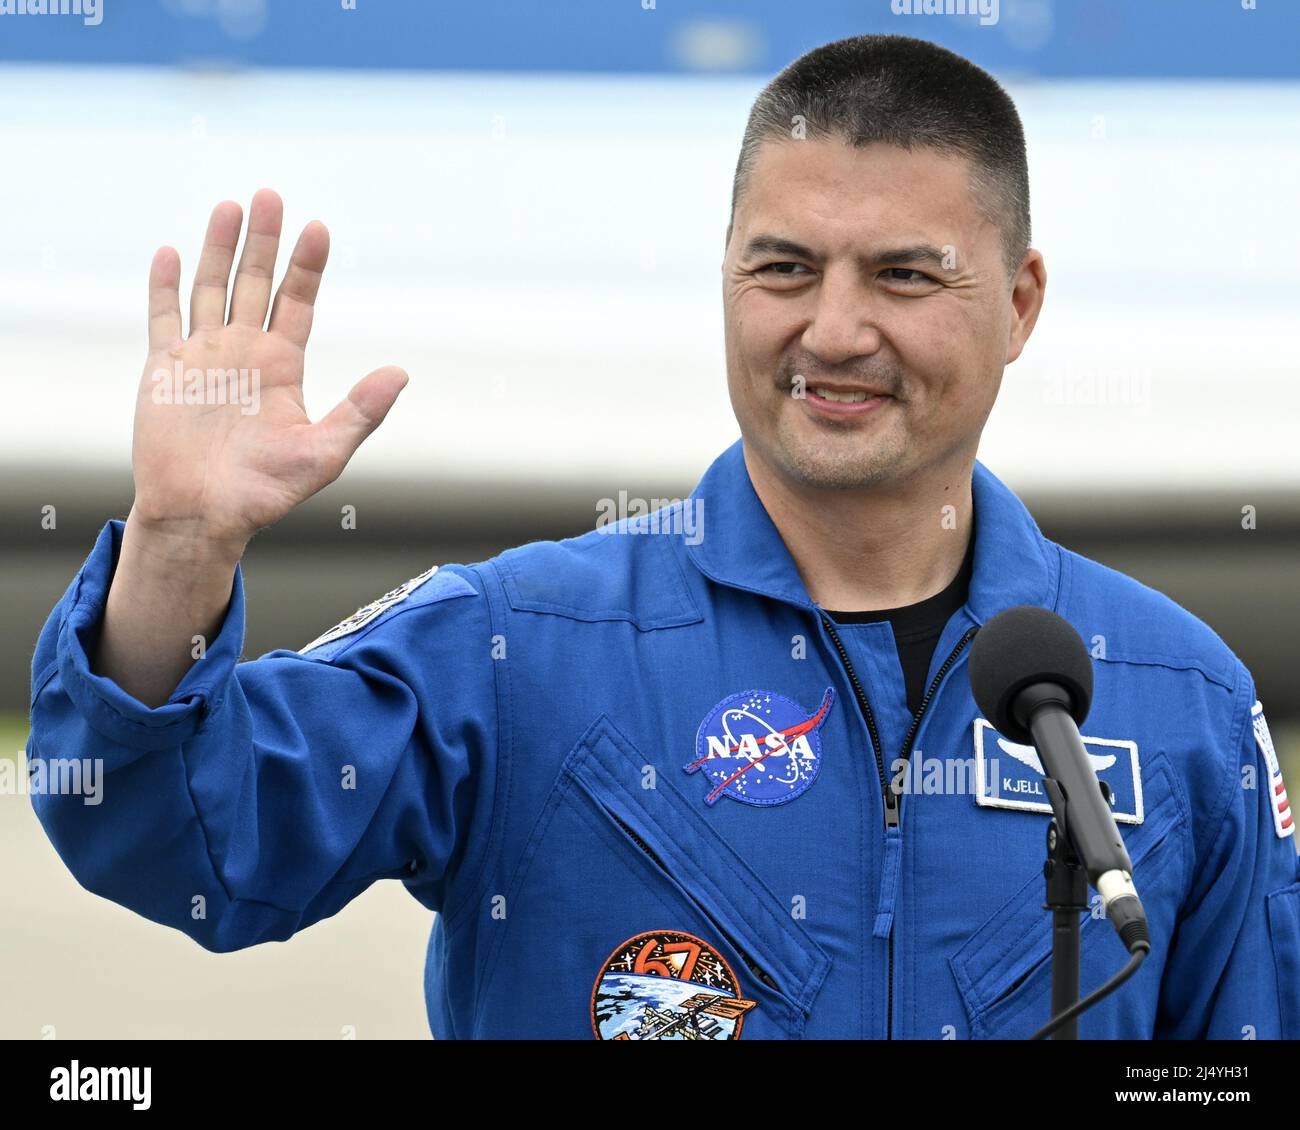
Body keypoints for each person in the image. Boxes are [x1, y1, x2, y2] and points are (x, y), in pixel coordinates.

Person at [27, 34, 1299, 1040]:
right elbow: (177, 839)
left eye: (905, 276)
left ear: (1018, 303)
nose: (836, 330)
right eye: (784, 269)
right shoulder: (519, 645)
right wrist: (180, 544)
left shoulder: (1174, 695)